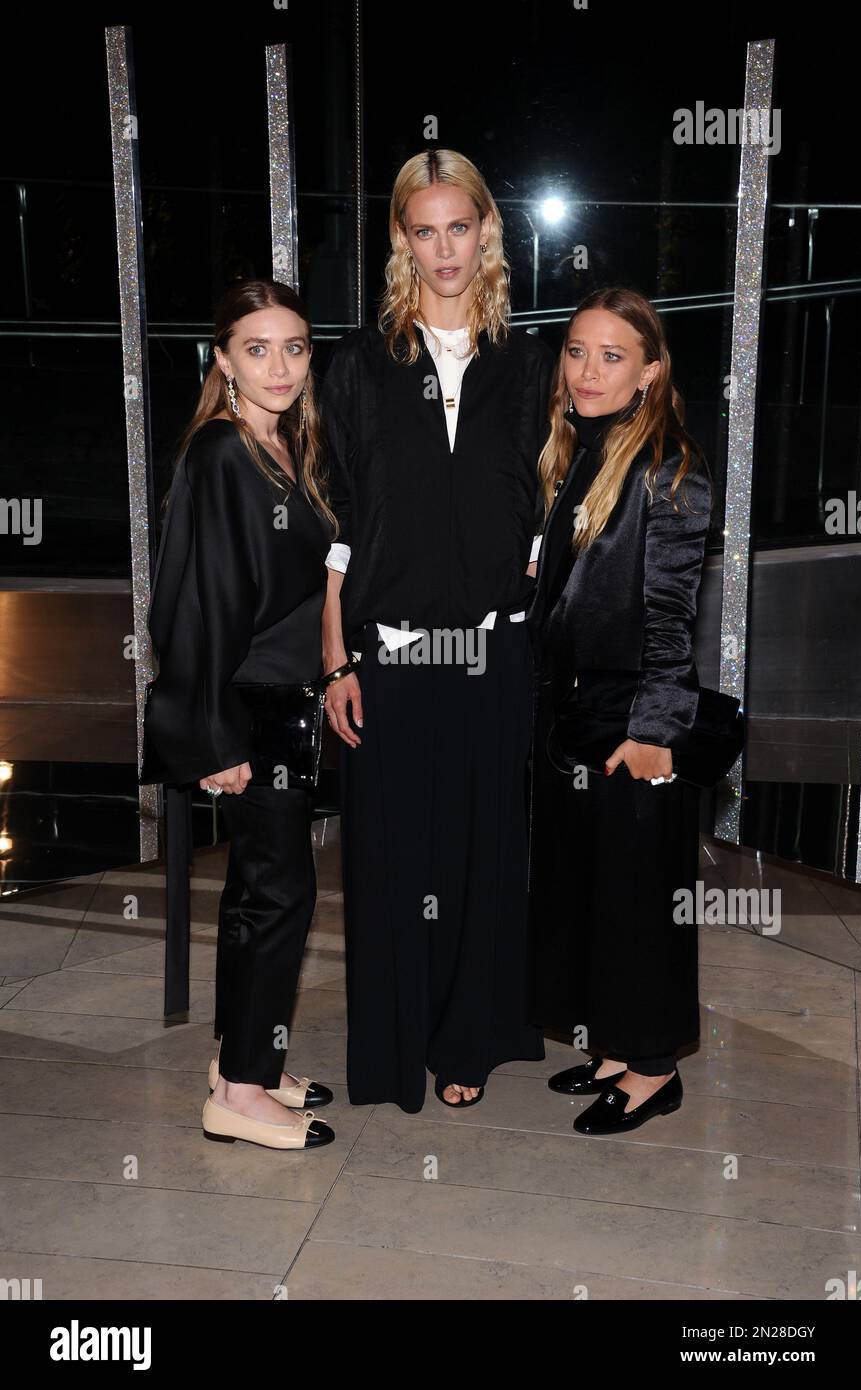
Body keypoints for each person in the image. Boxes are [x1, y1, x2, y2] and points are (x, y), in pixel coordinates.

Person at [319, 149, 553, 1114]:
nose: (445, 247)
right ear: (401, 242)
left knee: (480, 853)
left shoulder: (529, 363)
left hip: (493, 652)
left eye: (461, 227)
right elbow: (339, 526)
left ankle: (466, 1039)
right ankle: (393, 1042)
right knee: (389, 859)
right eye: (425, 230)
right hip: (394, 653)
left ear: (486, 233)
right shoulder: (362, 366)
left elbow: (546, 506)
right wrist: (335, 658)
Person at [142, 278, 337, 1151]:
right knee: (278, 895)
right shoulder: (223, 452)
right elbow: (193, 605)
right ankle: (243, 1093)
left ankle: (240, 1059)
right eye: (256, 349)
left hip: (280, 699)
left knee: (261, 894)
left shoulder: (285, 446)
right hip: (249, 706)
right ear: (222, 361)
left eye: (294, 347)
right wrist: (212, 736)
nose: (280, 365)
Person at [527, 286, 712, 1135]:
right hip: (576, 716)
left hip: (633, 721)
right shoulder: (580, 453)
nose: (588, 370)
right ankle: (609, 1046)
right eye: (576, 351)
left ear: (649, 372)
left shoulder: (668, 465)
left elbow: (671, 614)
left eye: (611, 356)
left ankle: (651, 1067)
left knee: (640, 903)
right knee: (591, 895)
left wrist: (654, 731)